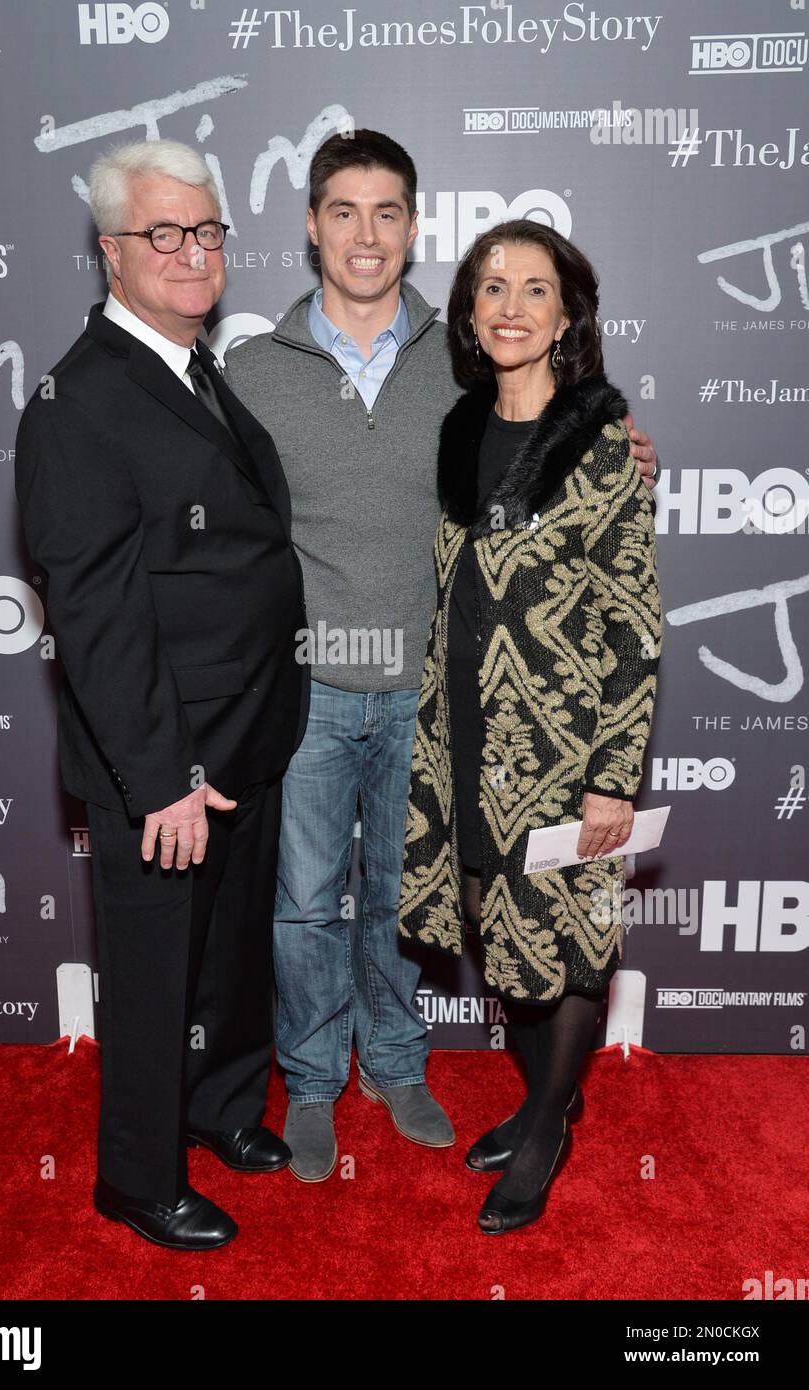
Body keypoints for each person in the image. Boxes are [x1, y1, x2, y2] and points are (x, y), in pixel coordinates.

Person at [222, 130, 659, 1182]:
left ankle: (399, 1064)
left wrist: (622, 442)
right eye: (341, 211)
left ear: (414, 230)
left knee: (403, 903)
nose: (364, 235)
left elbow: (562, 473)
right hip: (314, 688)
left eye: (386, 214)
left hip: (431, 699)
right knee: (302, 904)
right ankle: (317, 1081)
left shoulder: (455, 376)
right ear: (313, 224)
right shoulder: (245, 370)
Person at [14, 140, 309, 1250]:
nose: (194, 253)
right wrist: (161, 783)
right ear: (111, 253)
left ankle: (222, 1107)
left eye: (209, 231)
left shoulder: (195, 366)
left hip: (247, 725)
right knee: (150, 973)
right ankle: (136, 1176)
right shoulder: (77, 402)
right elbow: (94, 619)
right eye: (164, 235)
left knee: (231, 951)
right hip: (163, 756)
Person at [398, 218, 662, 1234]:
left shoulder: (598, 444)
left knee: (565, 949)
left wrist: (611, 777)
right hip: (461, 741)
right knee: (497, 937)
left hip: (564, 752)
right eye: (491, 286)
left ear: (567, 314)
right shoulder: (459, 431)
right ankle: (546, 1098)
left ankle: (546, 1126)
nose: (510, 306)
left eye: (534, 289)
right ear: (468, 312)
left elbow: (635, 630)